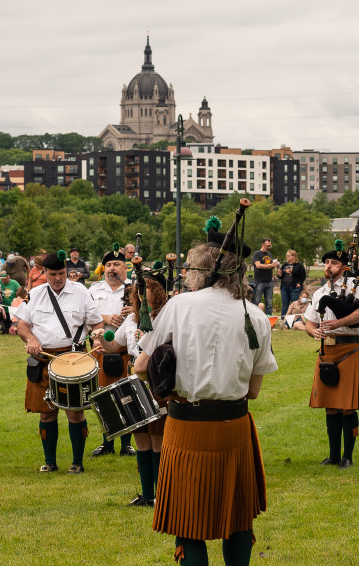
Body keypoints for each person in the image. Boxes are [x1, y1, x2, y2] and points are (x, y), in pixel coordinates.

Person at [140, 229, 276, 566]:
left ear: (203, 271)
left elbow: (143, 366)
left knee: (188, 525)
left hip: (186, 425)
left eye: (188, 268)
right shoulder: (256, 316)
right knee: (238, 519)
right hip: (234, 426)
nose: (185, 275)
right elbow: (254, 390)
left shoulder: (180, 305)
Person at [13, 251, 105, 474]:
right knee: (46, 412)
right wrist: (31, 338)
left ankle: (77, 462)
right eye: (53, 274)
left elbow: (97, 323)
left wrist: (97, 337)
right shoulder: (34, 294)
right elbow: (22, 325)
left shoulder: (81, 292)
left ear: (66, 271)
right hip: (43, 359)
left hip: (73, 359)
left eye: (61, 273)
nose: (58, 278)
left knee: (75, 412)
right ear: (44, 273)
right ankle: (50, 461)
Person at [303, 241, 359, 468]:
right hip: (326, 351)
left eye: (334, 263)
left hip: (348, 347)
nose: (329, 267)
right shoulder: (320, 292)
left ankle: (348, 457)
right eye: (326, 263)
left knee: (347, 406)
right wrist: (313, 331)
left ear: (343, 267)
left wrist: (339, 322)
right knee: (330, 405)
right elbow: (309, 320)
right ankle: (333, 455)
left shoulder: (354, 285)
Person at [107, 272, 169, 506]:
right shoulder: (132, 318)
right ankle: (147, 494)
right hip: (135, 380)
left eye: (147, 289)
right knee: (141, 440)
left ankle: (161, 495)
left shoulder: (166, 317)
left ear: (159, 291)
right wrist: (101, 338)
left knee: (157, 441)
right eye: (139, 290)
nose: (142, 294)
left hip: (157, 379)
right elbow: (115, 345)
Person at [86, 244, 134, 458]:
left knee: (127, 396)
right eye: (108, 265)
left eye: (117, 264)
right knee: (104, 397)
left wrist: (134, 309)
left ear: (126, 267)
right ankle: (107, 442)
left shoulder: (134, 288)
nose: (111, 268)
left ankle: (127, 444)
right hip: (101, 349)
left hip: (126, 349)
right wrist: (105, 318)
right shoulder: (94, 290)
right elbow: (85, 316)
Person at [249, 238, 278, 312]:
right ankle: (255, 317)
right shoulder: (257, 254)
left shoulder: (269, 254)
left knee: (269, 302)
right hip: (259, 281)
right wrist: (269, 265)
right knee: (257, 301)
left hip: (269, 281)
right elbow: (258, 265)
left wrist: (273, 266)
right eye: (267, 246)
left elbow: (270, 267)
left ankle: (269, 319)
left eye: (270, 246)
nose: (269, 248)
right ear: (262, 245)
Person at [278, 249, 306, 317]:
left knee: (295, 304)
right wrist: (279, 275)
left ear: (293, 256)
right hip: (284, 287)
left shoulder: (299, 265)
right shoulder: (284, 265)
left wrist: (299, 283)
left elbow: (303, 275)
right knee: (285, 305)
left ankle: (295, 319)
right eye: (286, 255)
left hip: (294, 288)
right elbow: (281, 276)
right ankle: (283, 320)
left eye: (288, 256)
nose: (286, 257)